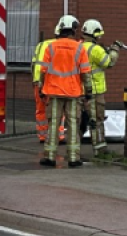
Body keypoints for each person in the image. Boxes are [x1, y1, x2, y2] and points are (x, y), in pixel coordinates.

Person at [36, 15, 90, 168]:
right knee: (73, 124)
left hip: (53, 91)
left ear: (60, 28)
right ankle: (73, 158)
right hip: (73, 93)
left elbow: (43, 70)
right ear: (73, 29)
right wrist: (89, 91)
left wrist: (41, 88)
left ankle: (50, 156)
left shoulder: (50, 47)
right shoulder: (80, 48)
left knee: (53, 123)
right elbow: (85, 72)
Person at [32, 16, 75, 143]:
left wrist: (36, 81)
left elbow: (34, 64)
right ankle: (59, 136)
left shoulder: (41, 44)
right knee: (57, 110)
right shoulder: (58, 46)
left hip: (37, 81)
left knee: (41, 110)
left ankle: (43, 135)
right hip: (51, 82)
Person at [79, 19, 119, 156]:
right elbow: (109, 63)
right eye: (98, 34)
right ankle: (100, 150)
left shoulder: (79, 47)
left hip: (80, 91)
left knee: (81, 120)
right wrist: (115, 50)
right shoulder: (95, 49)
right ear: (93, 33)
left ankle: (74, 149)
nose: (100, 37)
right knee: (97, 120)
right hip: (95, 91)